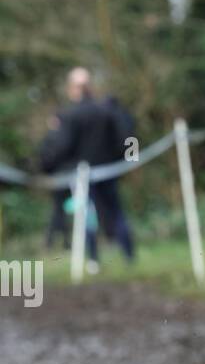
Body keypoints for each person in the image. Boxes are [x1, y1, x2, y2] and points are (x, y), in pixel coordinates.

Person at [40, 67, 136, 264]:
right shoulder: (107, 112)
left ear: (73, 89)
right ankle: (129, 256)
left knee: (87, 216)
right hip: (108, 172)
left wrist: (46, 167)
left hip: (82, 174)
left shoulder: (69, 116)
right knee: (116, 212)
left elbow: (61, 147)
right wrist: (128, 161)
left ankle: (94, 259)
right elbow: (127, 137)